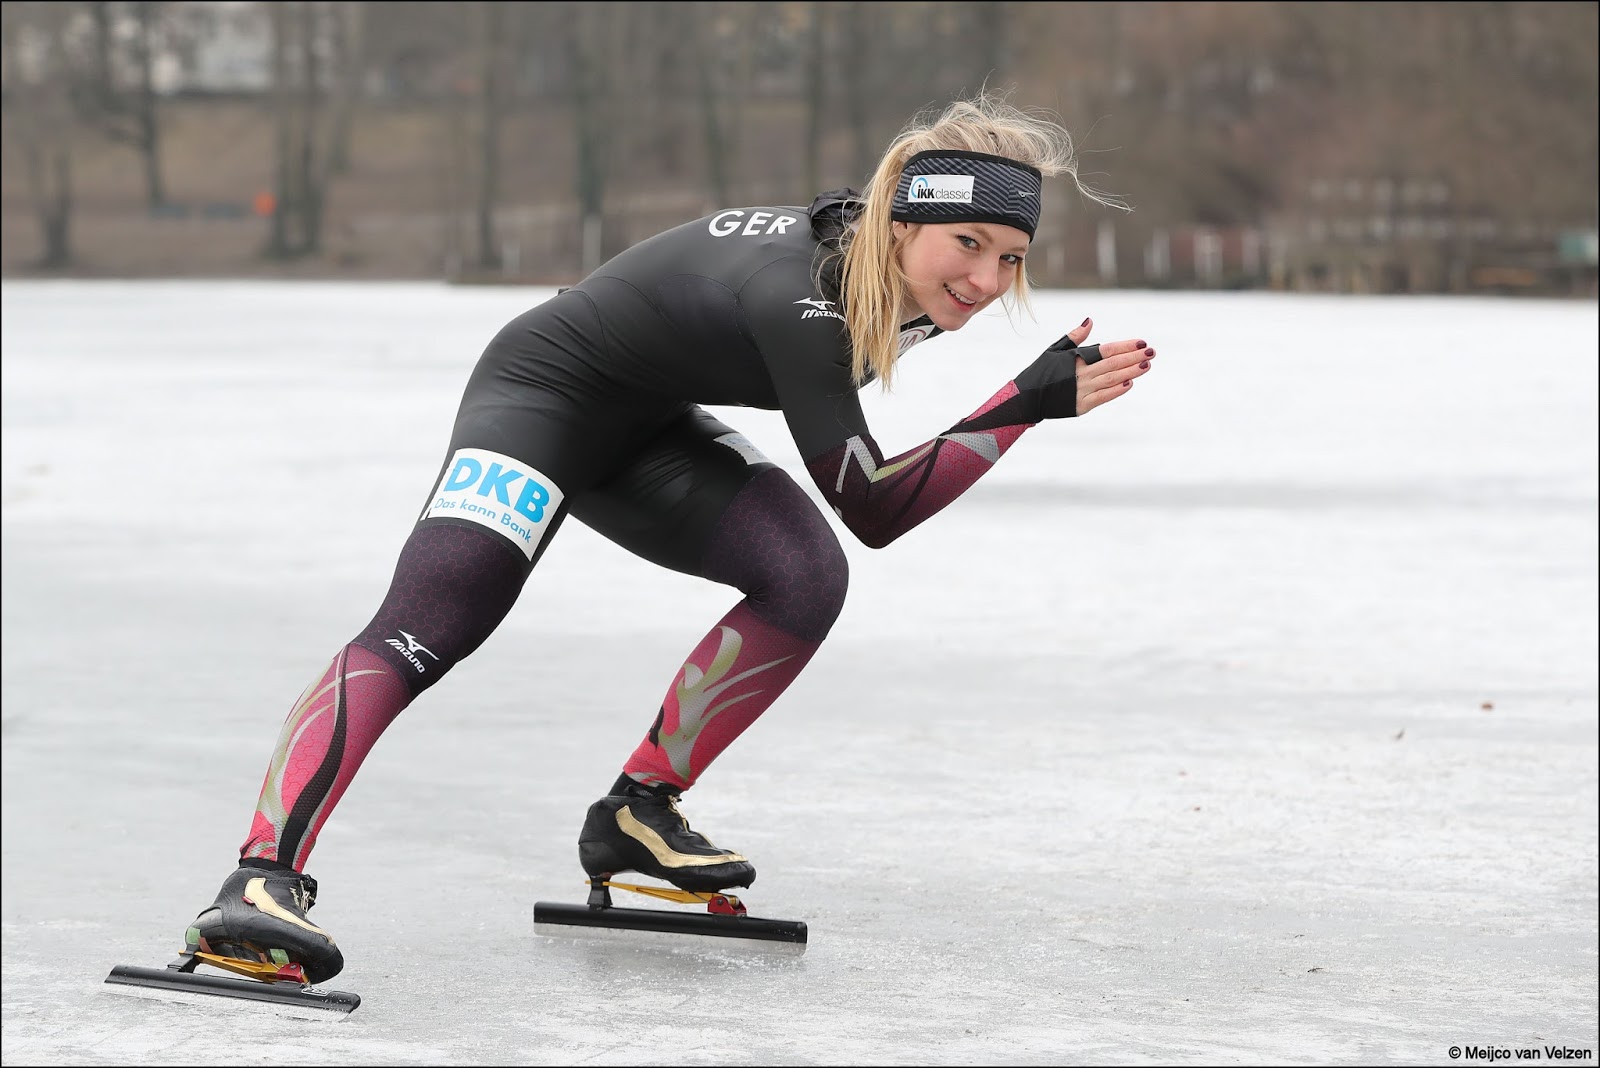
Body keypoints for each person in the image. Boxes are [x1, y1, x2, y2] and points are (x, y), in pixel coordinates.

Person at [184, 93, 1157, 984]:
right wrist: (1021, 405)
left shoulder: (895, 267)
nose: (988, 282)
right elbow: (874, 506)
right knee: (429, 626)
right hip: (541, 400)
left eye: (1012, 259)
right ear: (901, 224)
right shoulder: (808, 300)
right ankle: (258, 878)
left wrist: (1016, 391)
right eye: (968, 245)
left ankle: (635, 815)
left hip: (646, 426)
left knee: (800, 576)